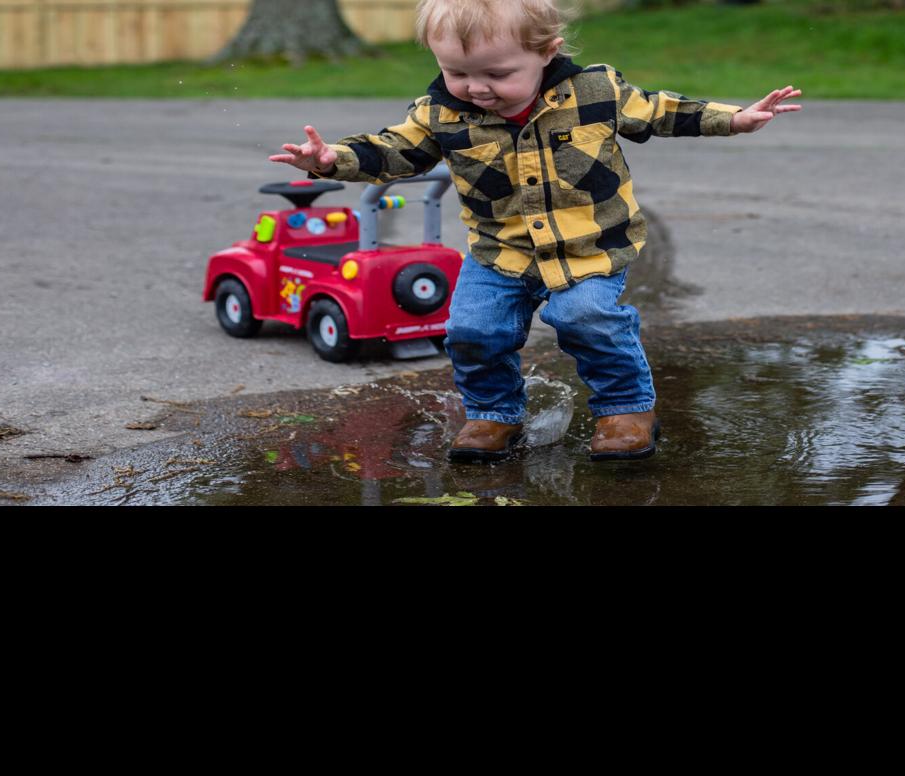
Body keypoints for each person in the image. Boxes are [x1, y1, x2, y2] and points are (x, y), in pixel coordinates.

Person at [269, 0, 802, 463]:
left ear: (547, 50)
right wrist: (330, 158)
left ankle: (626, 412)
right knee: (473, 330)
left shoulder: (595, 90)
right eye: (457, 72)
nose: (476, 88)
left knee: (585, 316)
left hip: (589, 245)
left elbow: (663, 111)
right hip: (499, 251)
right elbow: (392, 150)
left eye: (496, 74)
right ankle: (494, 414)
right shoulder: (440, 114)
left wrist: (735, 118)